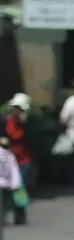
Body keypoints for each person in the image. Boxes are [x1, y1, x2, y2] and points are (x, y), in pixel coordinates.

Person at [4, 93, 33, 224]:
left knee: (20, 187)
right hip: (6, 160)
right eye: (16, 109)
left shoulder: (28, 124)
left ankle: (20, 215)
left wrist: (25, 124)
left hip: (23, 160)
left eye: (20, 109)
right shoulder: (6, 122)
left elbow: (32, 140)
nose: (18, 112)